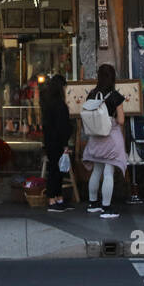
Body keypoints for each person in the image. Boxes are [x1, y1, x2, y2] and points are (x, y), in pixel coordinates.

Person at [82, 63, 127, 218]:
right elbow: (120, 120)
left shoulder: (91, 94)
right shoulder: (115, 96)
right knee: (108, 172)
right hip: (110, 138)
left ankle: (93, 203)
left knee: (96, 170)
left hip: (95, 138)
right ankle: (106, 208)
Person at [40, 74, 72, 212]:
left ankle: (57, 198)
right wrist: (65, 143)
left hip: (50, 141)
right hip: (58, 142)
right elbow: (63, 126)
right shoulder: (60, 105)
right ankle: (53, 199)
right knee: (57, 171)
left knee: (54, 170)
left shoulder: (48, 104)